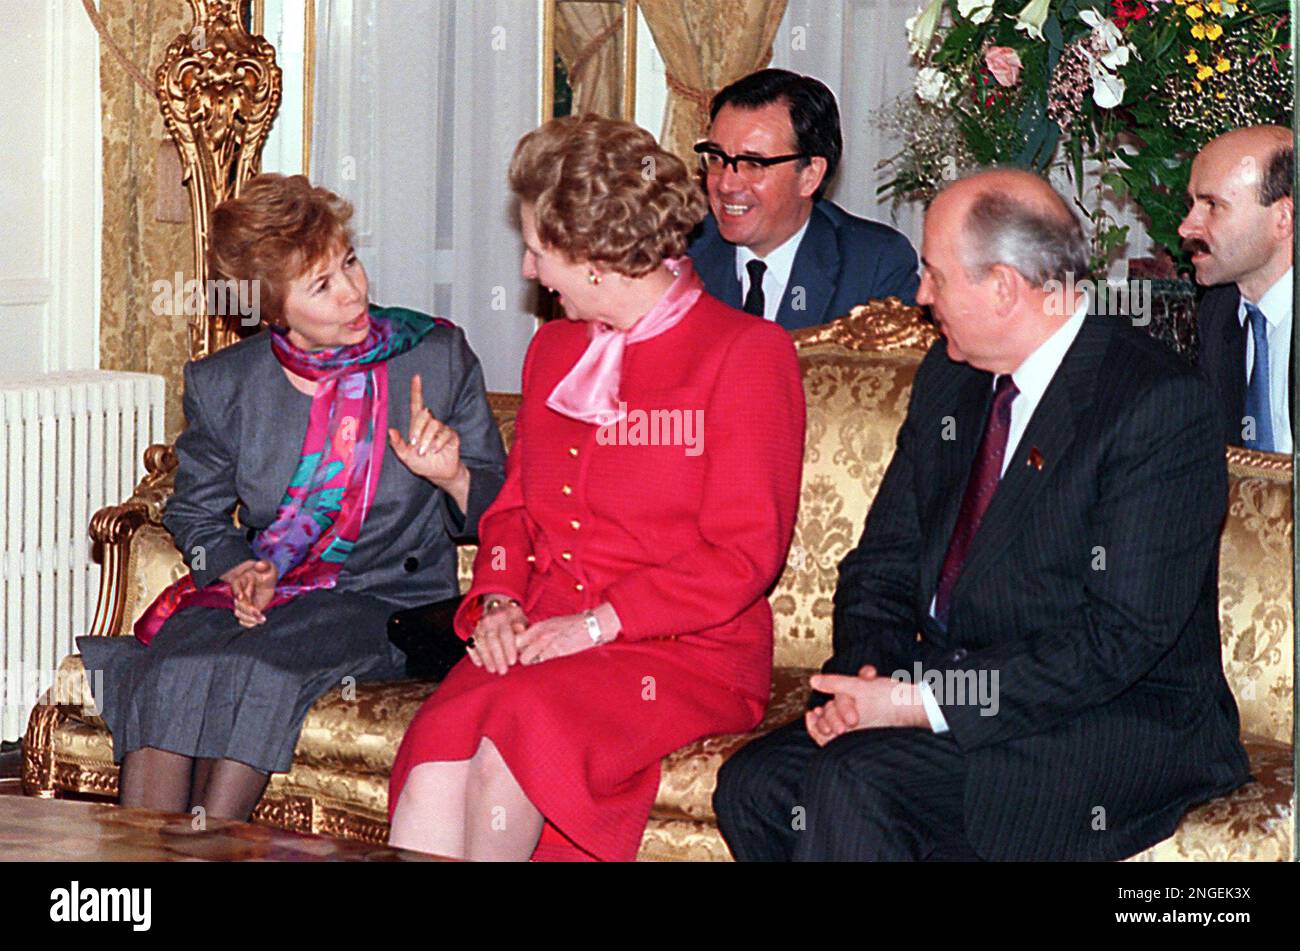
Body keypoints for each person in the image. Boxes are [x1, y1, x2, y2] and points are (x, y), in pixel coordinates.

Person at [713, 169, 1249, 861]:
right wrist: (869, 679)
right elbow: (881, 564)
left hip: (1113, 715)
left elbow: (1117, 639)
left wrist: (920, 702)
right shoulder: (953, 375)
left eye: (935, 275)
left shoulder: (1152, 403)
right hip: (953, 689)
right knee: (755, 784)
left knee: (858, 784)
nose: (920, 295)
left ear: (1002, 285)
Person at [387, 114, 806, 862]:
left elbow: (745, 554)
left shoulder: (746, 355)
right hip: (546, 630)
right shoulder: (553, 349)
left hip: (683, 651)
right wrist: (501, 600)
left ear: (597, 261)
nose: (528, 271)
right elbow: (514, 507)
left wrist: (600, 624)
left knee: (510, 753)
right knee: (432, 761)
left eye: (539, 250)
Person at [78, 173, 506, 821]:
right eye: (323, 286)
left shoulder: (435, 358)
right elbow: (193, 511)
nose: (354, 292)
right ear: (274, 309)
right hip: (266, 593)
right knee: (172, 667)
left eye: (350, 263)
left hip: (384, 597)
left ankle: (210, 844)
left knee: (262, 666)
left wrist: (451, 475)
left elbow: (505, 509)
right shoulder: (226, 383)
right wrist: (236, 566)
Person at [688, 68, 919, 330]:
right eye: (716, 159)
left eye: (753, 164)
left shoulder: (873, 266)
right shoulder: (678, 252)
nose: (726, 184)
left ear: (810, 175)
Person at [1179, 125, 1293, 453]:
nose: (1186, 227)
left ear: (1283, 218)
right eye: (1192, 204)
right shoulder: (1219, 310)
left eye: (1212, 205)